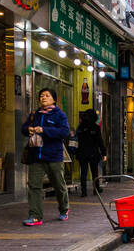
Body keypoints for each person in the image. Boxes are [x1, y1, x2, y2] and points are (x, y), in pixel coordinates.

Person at [23, 87, 72, 225]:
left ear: (54, 99)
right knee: (34, 186)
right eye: (41, 96)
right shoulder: (34, 114)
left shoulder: (59, 115)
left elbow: (64, 132)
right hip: (36, 156)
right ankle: (35, 216)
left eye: (47, 95)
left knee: (58, 184)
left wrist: (45, 130)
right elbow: (23, 128)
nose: (43, 98)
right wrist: (29, 129)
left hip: (54, 156)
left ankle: (64, 209)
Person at [74, 109, 105, 197]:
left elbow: (76, 140)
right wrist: (104, 153)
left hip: (82, 153)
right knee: (94, 172)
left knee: (83, 173)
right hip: (93, 153)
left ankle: (84, 192)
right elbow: (100, 141)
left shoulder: (80, 127)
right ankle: (96, 189)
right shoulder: (96, 127)